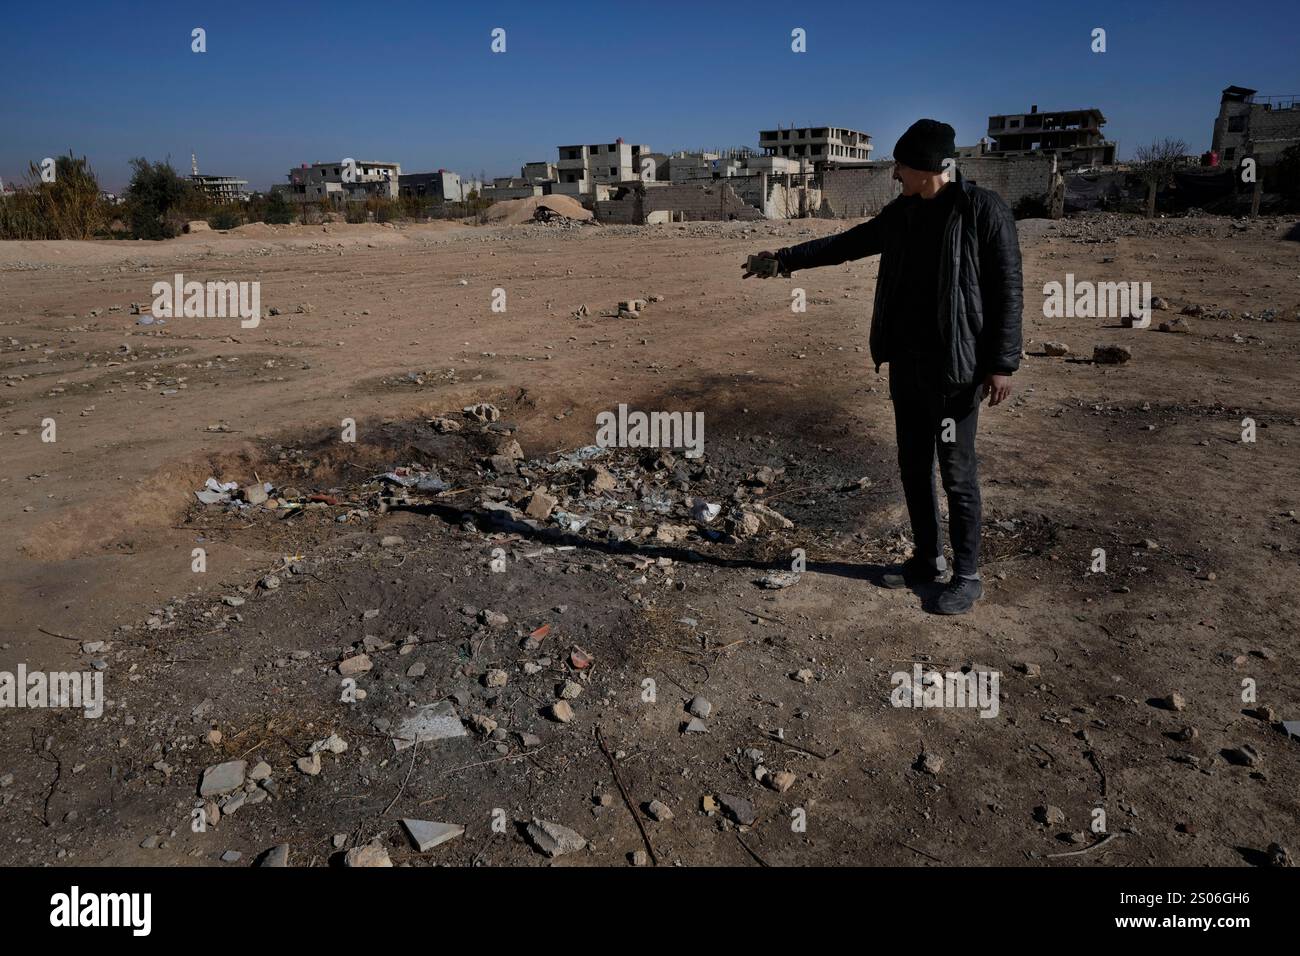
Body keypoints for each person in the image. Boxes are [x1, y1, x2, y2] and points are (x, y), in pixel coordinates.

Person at [743, 119, 1023, 614]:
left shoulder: (982, 210)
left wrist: (1001, 363)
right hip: (908, 365)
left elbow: (1007, 290)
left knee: (956, 473)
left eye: (901, 166)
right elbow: (847, 244)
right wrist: (783, 259)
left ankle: (968, 574)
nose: (894, 174)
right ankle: (927, 559)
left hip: (955, 371)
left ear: (926, 168)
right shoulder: (905, 213)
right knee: (913, 467)